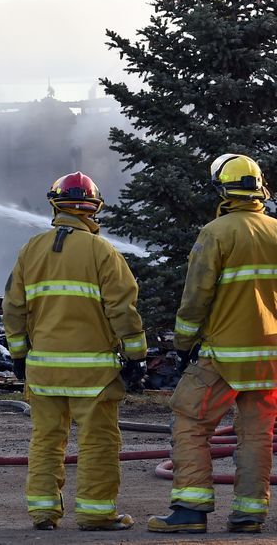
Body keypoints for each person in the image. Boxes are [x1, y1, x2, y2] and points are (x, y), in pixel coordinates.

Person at [3, 172, 146, 532]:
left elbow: (13, 308)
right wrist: (136, 356)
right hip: (93, 375)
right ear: (93, 209)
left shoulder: (31, 250)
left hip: (44, 372)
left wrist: (19, 355)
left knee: (46, 440)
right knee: (98, 442)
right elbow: (123, 310)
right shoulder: (103, 252)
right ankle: (97, 514)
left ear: (55, 204)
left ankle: (43, 513)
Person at [148, 154, 277, 535]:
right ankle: (250, 515)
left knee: (189, 419)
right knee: (257, 433)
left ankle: (190, 507)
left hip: (223, 355)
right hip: (270, 358)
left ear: (222, 188)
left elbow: (195, 297)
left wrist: (184, 343)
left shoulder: (216, 232)